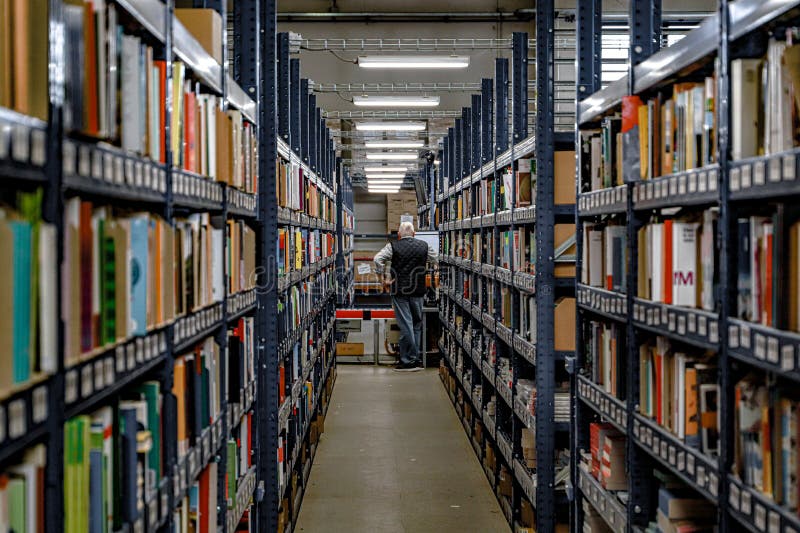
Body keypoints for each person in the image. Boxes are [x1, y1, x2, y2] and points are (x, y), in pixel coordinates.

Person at [374, 221, 438, 371]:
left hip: (400, 291)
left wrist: (382, 280)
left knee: (406, 324)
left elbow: (377, 259)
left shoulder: (393, 246)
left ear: (399, 234)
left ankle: (408, 361)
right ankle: (413, 359)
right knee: (416, 324)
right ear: (414, 234)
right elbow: (438, 260)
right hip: (418, 290)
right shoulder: (424, 246)